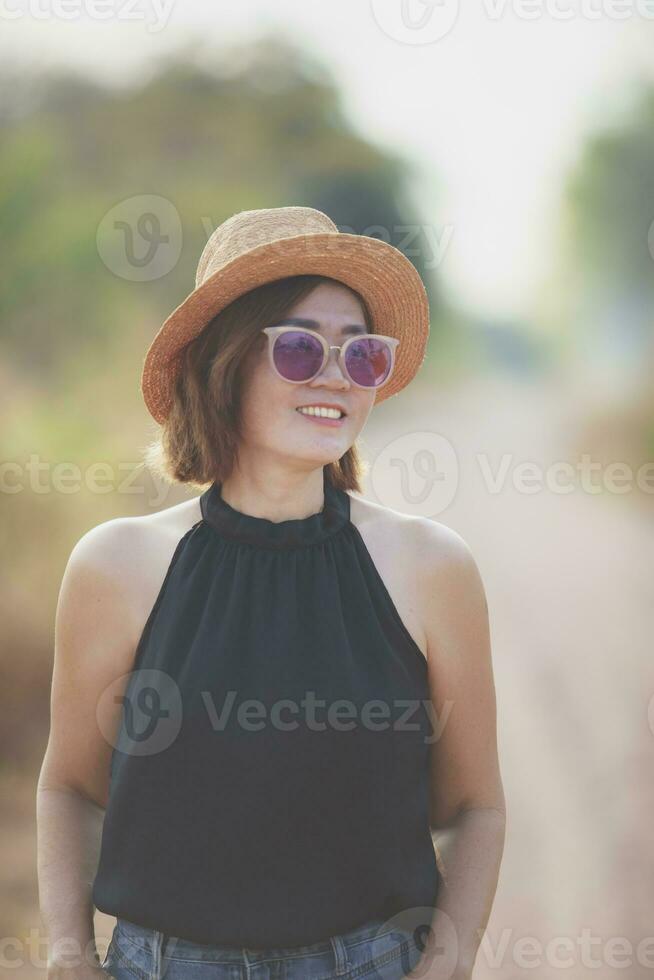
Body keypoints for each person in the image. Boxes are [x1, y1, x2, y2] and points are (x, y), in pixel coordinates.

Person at [37, 207, 506, 980]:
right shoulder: (115, 567)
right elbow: (68, 788)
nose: (335, 374)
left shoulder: (430, 568)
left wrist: (445, 966)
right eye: (297, 347)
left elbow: (475, 809)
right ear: (224, 363)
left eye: (361, 354)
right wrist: (65, 954)